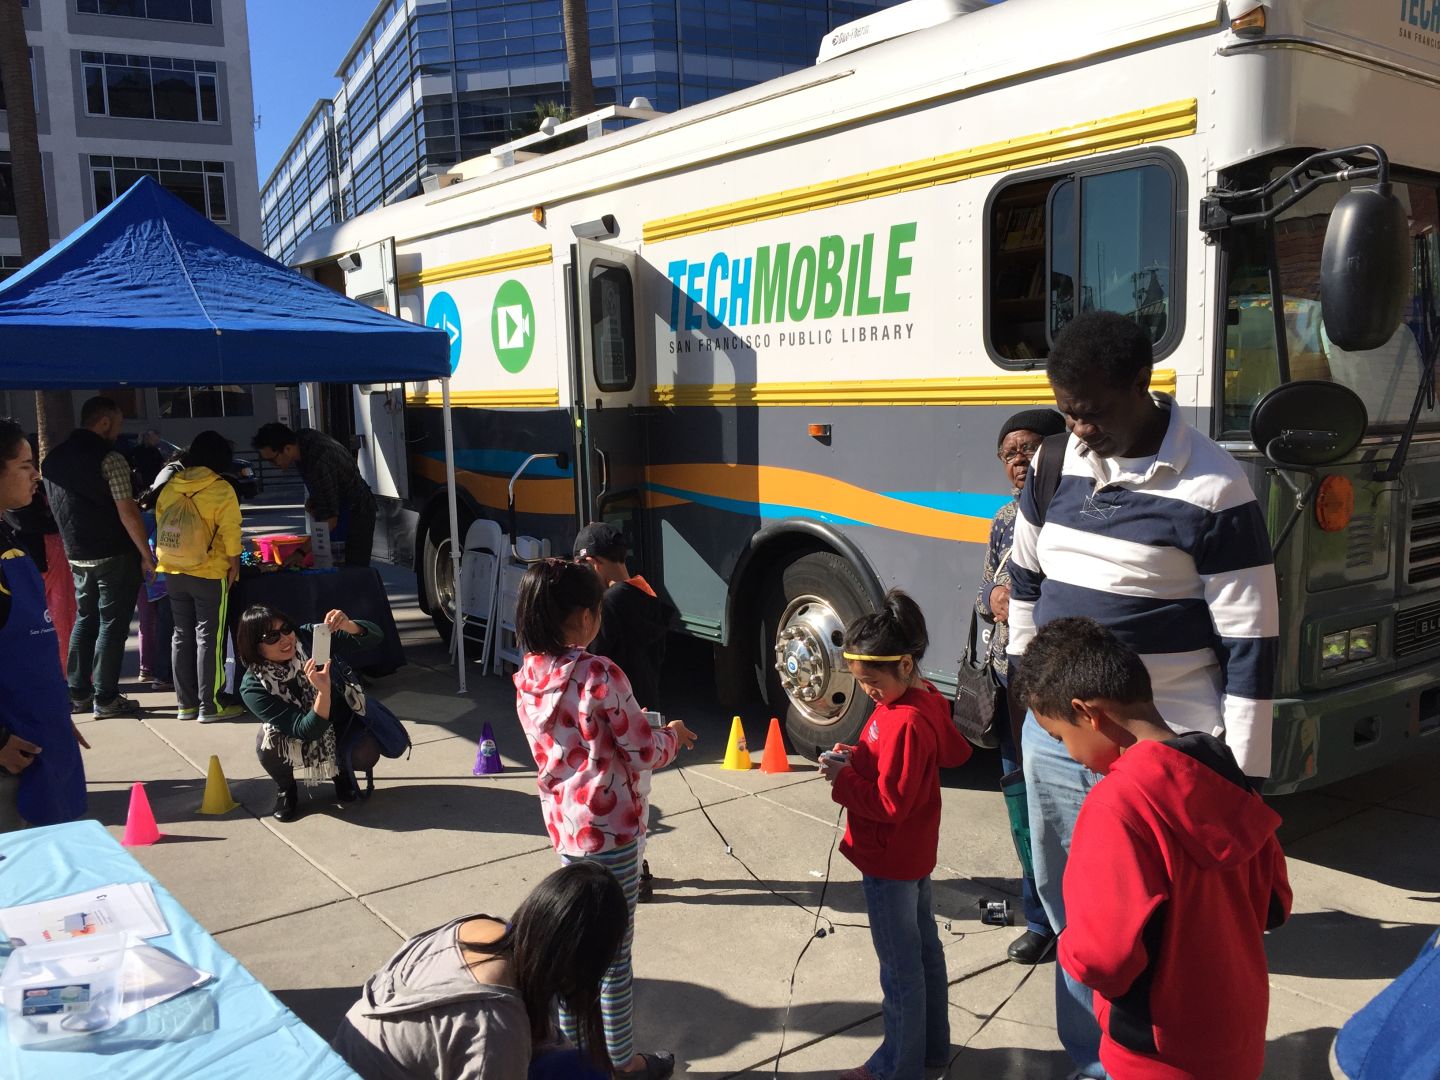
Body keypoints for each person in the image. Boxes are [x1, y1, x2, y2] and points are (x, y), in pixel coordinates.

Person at [1005, 311, 1279, 1078]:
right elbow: (1024, 579)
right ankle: (1088, 1058)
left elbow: (1253, 642)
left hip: (1160, 757)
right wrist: (1031, 690)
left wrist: (1239, 776)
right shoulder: (1057, 464)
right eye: (1066, 410)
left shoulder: (1216, 486)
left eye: (1089, 409)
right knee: (1071, 912)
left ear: (1142, 386)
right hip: (1058, 737)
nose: (1077, 427)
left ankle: (1134, 1058)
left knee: (1160, 934)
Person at [1014, 617, 1291, 1080]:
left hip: (1153, 1052)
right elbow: (1275, 904)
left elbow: (1103, 958)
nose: (1070, 752)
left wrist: (1072, 947)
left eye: (1061, 737)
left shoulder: (1115, 807)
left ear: (1088, 713)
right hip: (1236, 1037)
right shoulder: (1225, 771)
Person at [512, 558, 697, 1080]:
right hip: (612, 831)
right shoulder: (599, 673)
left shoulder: (530, 672)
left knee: (577, 951)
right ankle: (621, 1062)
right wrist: (673, 738)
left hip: (566, 830)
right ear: (586, 616)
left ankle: (576, 1056)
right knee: (613, 959)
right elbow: (641, 750)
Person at [820, 590, 972, 1080]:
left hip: (889, 861)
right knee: (923, 955)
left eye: (874, 682)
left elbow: (890, 803)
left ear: (905, 665)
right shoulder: (921, 704)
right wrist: (858, 757)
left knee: (900, 970)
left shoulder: (904, 720)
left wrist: (843, 781)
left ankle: (894, 1067)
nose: (868, 691)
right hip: (912, 857)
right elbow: (894, 770)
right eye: (862, 682)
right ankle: (930, 1050)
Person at [333, 861, 628, 1080]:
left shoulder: (483, 929)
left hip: (345, 1057)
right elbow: (495, 1040)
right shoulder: (494, 1030)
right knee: (586, 1074)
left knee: (576, 1064)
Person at [976, 408, 1065, 966]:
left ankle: (1080, 920)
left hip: (1069, 692)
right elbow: (986, 582)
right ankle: (1039, 919)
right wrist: (992, 598)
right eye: (1009, 454)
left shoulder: (1084, 512)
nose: (1018, 462)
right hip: (1013, 686)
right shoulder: (1005, 519)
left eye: (1028, 450)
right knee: (1024, 805)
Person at [574, 520, 674, 901]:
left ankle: (629, 873)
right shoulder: (646, 595)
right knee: (640, 796)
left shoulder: (609, 606)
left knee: (617, 800)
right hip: (647, 708)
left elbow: (593, 661)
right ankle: (638, 865)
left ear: (594, 562)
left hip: (615, 713)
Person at [0, 418, 89, 831]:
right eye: (25, 464)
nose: (37, 474)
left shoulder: (8, 537)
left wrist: (55, 712)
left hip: (45, 740)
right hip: (14, 761)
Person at [42, 396, 156, 718]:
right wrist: (146, 555)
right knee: (113, 625)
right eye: (117, 424)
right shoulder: (111, 459)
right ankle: (106, 697)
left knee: (85, 618)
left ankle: (77, 691)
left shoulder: (52, 461)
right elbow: (128, 512)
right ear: (104, 422)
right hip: (114, 554)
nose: (118, 431)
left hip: (76, 554)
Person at [237, 604, 385, 822]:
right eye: (271, 637)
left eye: (286, 629)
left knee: (365, 753)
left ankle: (340, 772)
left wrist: (349, 625)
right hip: (298, 731)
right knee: (267, 742)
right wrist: (323, 693)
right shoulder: (253, 686)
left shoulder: (309, 639)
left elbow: (375, 637)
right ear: (254, 647)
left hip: (338, 721)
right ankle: (286, 789)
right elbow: (305, 731)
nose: (285, 639)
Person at [156, 431, 245, 722]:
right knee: (210, 635)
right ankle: (212, 705)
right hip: (209, 571)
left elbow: (162, 521)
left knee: (180, 634)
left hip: (172, 569)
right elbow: (232, 531)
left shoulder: (172, 486)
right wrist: (235, 564)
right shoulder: (220, 488)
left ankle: (186, 704)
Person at [252, 422, 377, 567]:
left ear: (287, 448)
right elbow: (328, 485)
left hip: (356, 512)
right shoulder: (302, 441)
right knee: (337, 569)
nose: (271, 465)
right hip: (343, 508)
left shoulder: (318, 459)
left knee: (352, 572)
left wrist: (300, 553)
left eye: (272, 459)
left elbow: (330, 520)